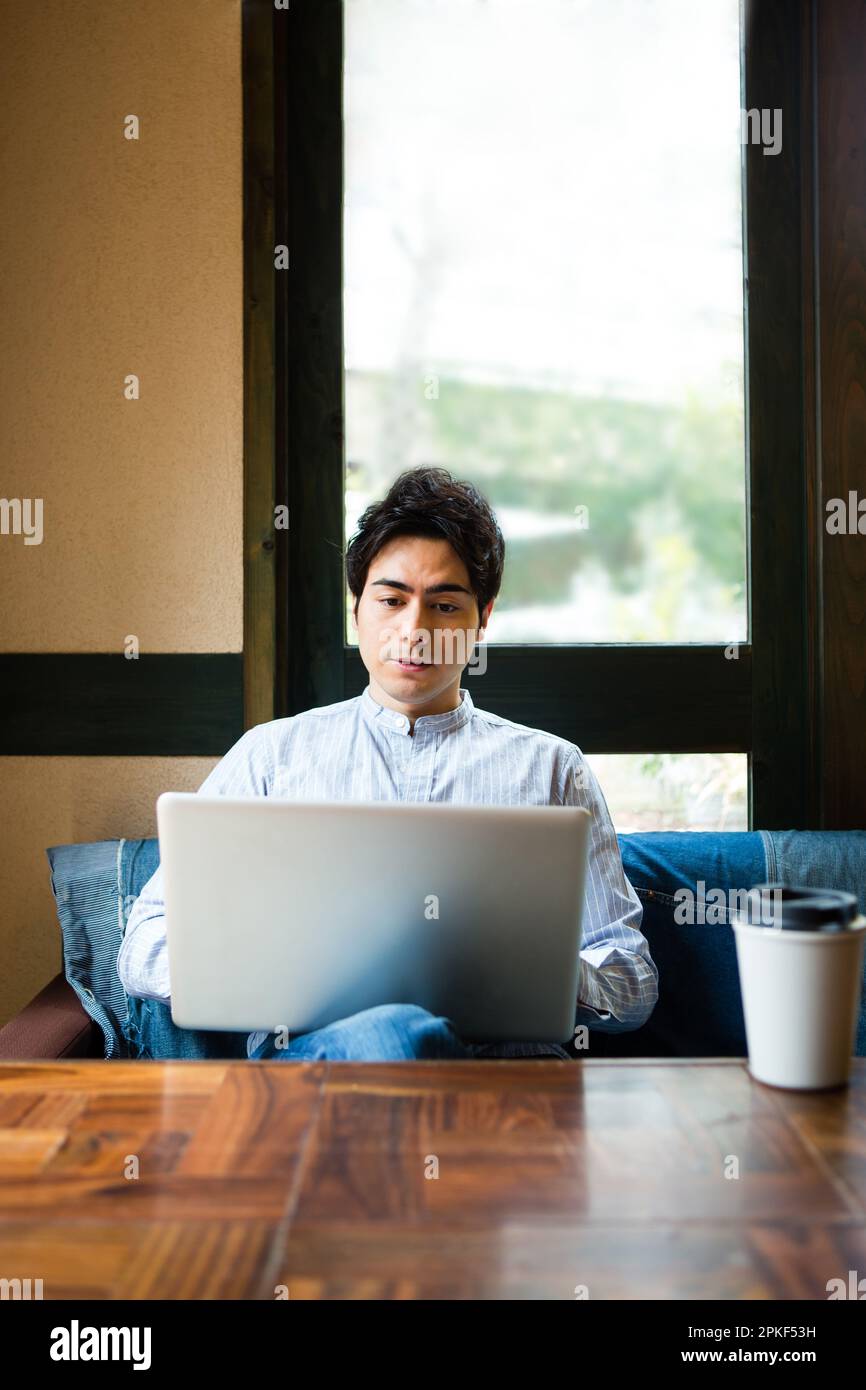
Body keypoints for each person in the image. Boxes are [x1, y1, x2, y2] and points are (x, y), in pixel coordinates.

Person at [118, 466, 658, 1061]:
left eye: (444, 605)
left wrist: (534, 963)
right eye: (391, 600)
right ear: (357, 611)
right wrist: (277, 962)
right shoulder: (271, 757)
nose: (415, 630)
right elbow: (143, 944)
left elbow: (632, 986)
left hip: (504, 1083)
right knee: (391, 1036)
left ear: (483, 619)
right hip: (327, 1072)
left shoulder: (555, 768)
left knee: (418, 1042)